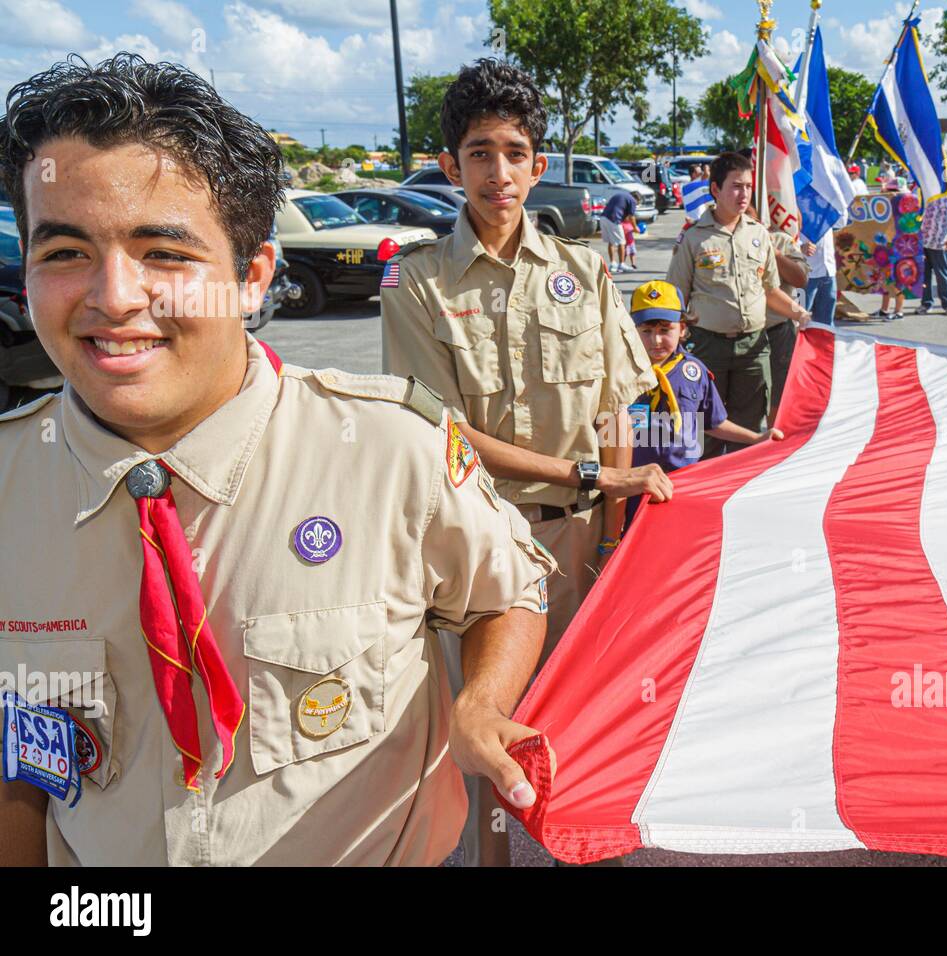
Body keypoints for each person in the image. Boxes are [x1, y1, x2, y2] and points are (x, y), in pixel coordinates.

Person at [0, 53, 556, 867]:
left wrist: (482, 702)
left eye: (164, 253)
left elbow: (508, 590)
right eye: (64, 253)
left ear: (253, 276)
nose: (113, 297)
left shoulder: (391, 452)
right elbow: (19, 767)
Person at [380, 59, 669, 864]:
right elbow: (445, 432)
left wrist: (612, 533)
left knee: (587, 725)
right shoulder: (416, 283)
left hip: (578, 545)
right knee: (482, 745)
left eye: (514, 152)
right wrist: (596, 478)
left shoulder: (587, 270)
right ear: (450, 166)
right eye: (478, 153)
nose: (497, 172)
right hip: (474, 551)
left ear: (538, 164)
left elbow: (616, 407)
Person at [666, 151, 812, 458]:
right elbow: (675, 295)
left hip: (754, 349)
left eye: (747, 186)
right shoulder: (693, 239)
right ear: (715, 190)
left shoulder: (759, 235)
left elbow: (770, 290)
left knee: (748, 428)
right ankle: (702, 492)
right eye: (735, 186)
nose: (743, 193)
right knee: (706, 427)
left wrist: (799, 313)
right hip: (708, 347)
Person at [623, 280, 781, 526]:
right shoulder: (619, 373)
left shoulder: (693, 372)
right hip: (629, 488)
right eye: (646, 331)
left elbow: (713, 422)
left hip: (680, 485)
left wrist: (756, 439)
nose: (655, 340)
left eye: (665, 330)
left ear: (683, 329)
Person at [763, 222, 809, 414]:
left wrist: (775, 253)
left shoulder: (780, 240)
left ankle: (772, 440)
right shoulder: (700, 237)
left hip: (777, 329)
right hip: (724, 335)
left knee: (779, 396)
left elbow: (799, 279)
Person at [916, 185, 947, 315]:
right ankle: (926, 304)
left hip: (940, 241)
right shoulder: (923, 183)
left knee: (943, 274)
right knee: (923, 275)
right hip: (921, 240)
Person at [601, 187, 637, 272]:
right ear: (637, 198)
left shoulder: (620, 195)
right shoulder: (632, 200)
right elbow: (632, 217)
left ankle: (612, 263)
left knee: (611, 241)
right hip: (614, 219)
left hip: (603, 217)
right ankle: (621, 264)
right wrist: (635, 228)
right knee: (622, 242)